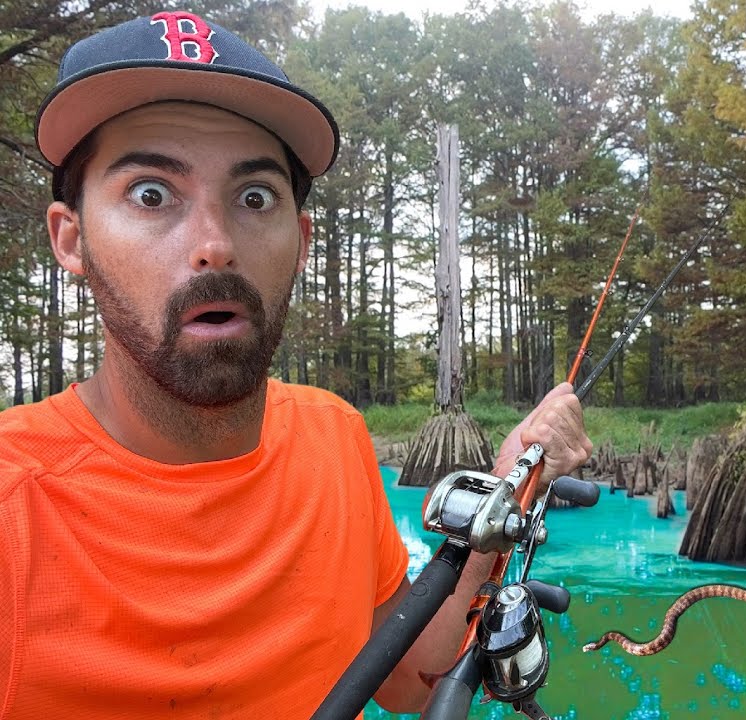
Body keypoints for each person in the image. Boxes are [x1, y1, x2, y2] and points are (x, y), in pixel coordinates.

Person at [0, 12, 591, 718]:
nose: (215, 244)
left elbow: (405, 678)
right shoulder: (15, 507)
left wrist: (507, 486)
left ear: (301, 240)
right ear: (72, 239)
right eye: (151, 194)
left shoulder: (332, 438)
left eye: (255, 198)